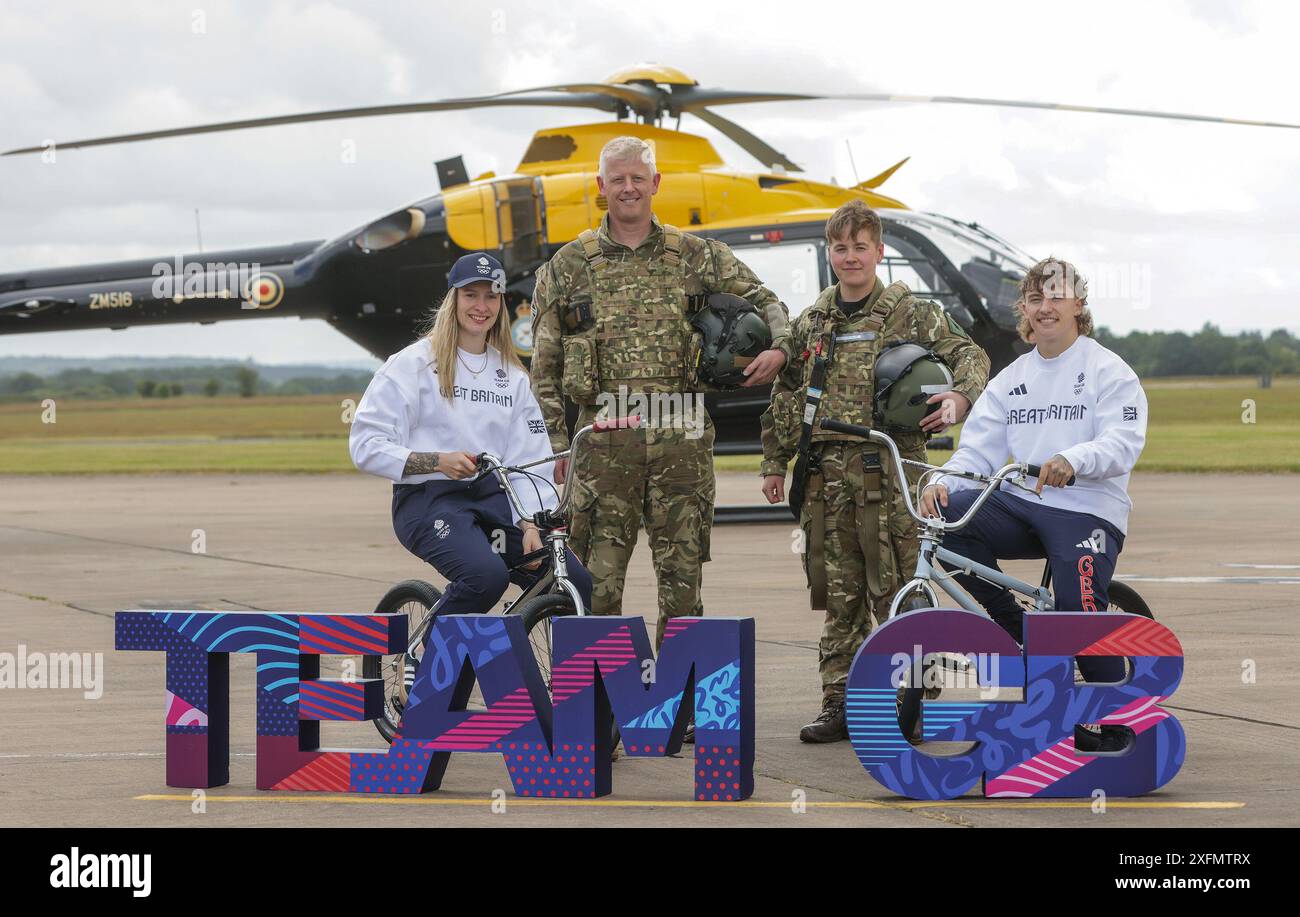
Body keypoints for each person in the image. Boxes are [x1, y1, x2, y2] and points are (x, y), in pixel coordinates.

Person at [530, 135, 790, 650]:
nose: (629, 188)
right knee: (596, 585)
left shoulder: (697, 256)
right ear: (601, 187)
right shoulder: (567, 266)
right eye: (618, 179)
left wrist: (780, 346)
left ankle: (680, 713)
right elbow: (545, 365)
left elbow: (765, 298)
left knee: (682, 584)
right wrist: (557, 444)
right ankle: (597, 708)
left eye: (638, 178)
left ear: (656, 184)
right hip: (602, 444)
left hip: (681, 442)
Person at [760, 200, 991, 743]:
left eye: (860, 247)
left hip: (892, 473)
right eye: (839, 248)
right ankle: (839, 704)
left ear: (879, 252)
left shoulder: (912, 312)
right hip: (824, 478)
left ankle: (912, 707)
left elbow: (971, 354)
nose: (849, 258)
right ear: (830, 253)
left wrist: (960, 396)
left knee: (899, 593)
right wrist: (775, 461)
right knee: (838, 599)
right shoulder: (813, 319)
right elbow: (787, 391)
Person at [920, 257, 1147, 752]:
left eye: (1057, 297)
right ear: (1024, 307)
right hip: (1023, 501)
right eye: (1036, 299)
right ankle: (1020, 630)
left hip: (1087, 508)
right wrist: (938, 480)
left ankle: (1118, 725)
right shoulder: (1011, 379)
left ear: (1078, 305)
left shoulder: (1109, 370)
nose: (1046, 308)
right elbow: (976, 451)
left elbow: (1124, 441)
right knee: (949, 521)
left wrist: (1073, 458)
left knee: (1077, 613)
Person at [350, 251, 592, 620]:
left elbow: (527, 458)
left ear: (502, 303)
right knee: (485, 578)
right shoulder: (412, 364)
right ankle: (431, 663)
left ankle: (545, 668)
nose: (482, 306)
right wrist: (438, 462)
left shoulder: (511, 375)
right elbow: (365, 445)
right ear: (453, 299)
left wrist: (530, 522)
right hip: (429, 501)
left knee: (572, 580)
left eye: (491, 296)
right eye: (471, 295)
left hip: (495, 502)